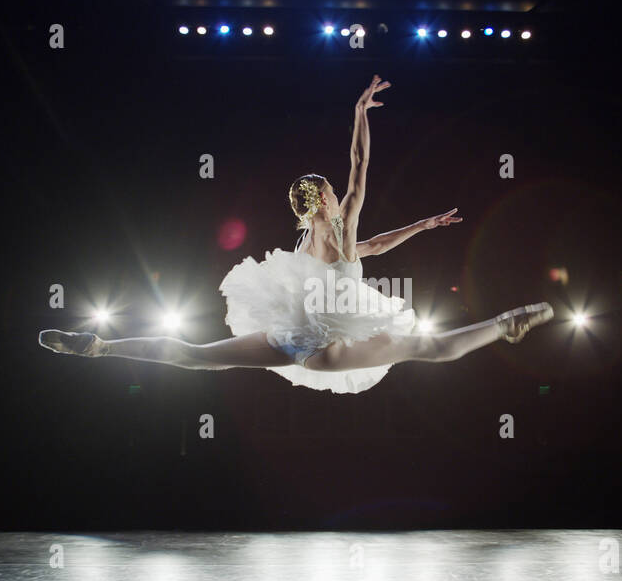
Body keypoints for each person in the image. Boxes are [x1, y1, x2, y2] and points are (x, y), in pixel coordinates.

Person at [40, 75, 553, 393]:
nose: (339, 192)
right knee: (432, 348)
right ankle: (506, 322)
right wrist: (358, 114)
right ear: (324, 198)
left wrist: (422, 225)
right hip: (326, 347)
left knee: (194, 356)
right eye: (332, 189)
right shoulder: (343, 219)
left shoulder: (308, 240)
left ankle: (100, 348)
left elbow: (374, 246)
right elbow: (361, 162)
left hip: (286, 340)